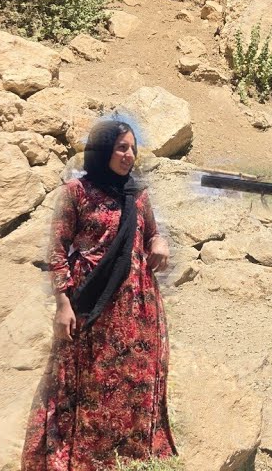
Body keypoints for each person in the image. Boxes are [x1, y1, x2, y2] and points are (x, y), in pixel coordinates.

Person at [22, 118, 176, 470]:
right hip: (92, 302)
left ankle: (129, 451)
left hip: (137, 303)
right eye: (122, 147)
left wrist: (160, 242)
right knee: (89, 378)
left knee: (131, 377)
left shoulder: (136, 195)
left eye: (133, 148)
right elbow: (57, 251)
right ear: (102, 149)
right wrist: (63, 304)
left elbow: (152, 233)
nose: (129, 155)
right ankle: (82, 456)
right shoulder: (75, 192)